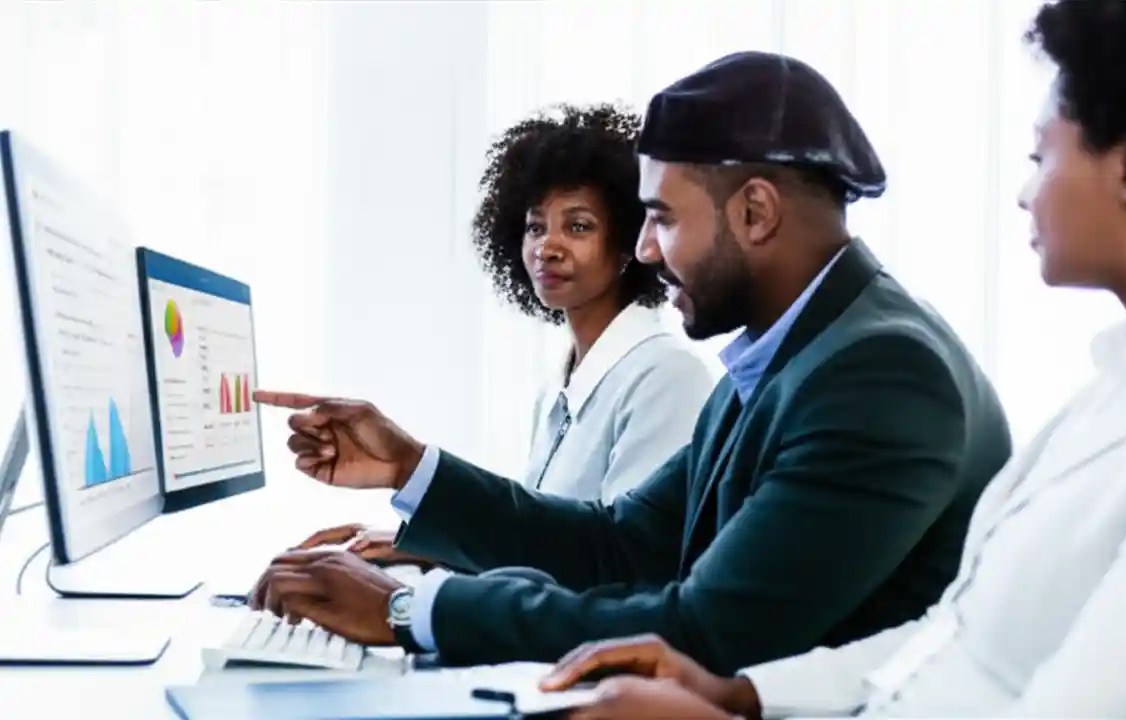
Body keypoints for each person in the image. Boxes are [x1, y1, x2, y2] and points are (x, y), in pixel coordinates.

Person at [536, 2, 1126, 718]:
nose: (1024, 193)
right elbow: (964, 638)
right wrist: (746, 696)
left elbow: (1068, 708)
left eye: (1040, 154)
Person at [251, 52, 1011, 675]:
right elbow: (620, 545)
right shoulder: (787, 357)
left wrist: (408, 609)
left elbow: (712, 628)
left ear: (755, 213)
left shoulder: (881, 374)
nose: (645, 250)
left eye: (662, 218)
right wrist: (411, 466)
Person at [269, 103, 714, 565]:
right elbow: (544, 542)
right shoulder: (561, 387)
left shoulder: (666, 378)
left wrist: (407, 603)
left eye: (578, 226)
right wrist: (424, 546)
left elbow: (624, 569)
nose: (548, 247)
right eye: (535, 227)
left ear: (627, 243)